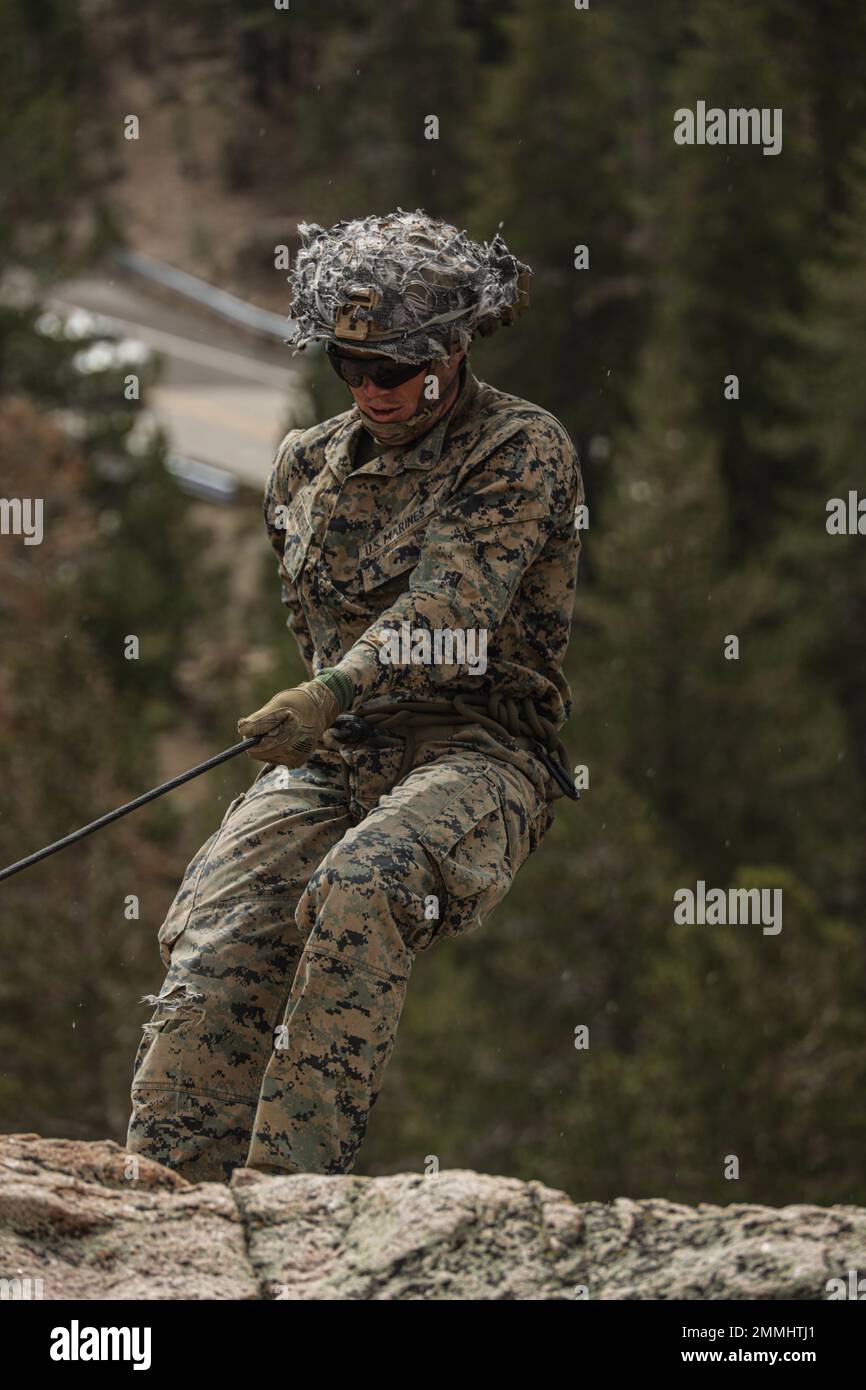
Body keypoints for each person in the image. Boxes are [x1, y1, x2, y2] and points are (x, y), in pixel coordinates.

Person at [126, 209, 584, 1182]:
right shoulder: (302, 467)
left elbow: (452, 610)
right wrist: (330, 712)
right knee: (215, 938)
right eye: (350, 366)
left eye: (397, 368)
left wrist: (330, 690)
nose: (373, 389)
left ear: (455, 349)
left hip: (481, 750)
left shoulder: (518, 447)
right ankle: (164, 1198)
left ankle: (292, 1197)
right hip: (341, 753)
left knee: (364, 880)